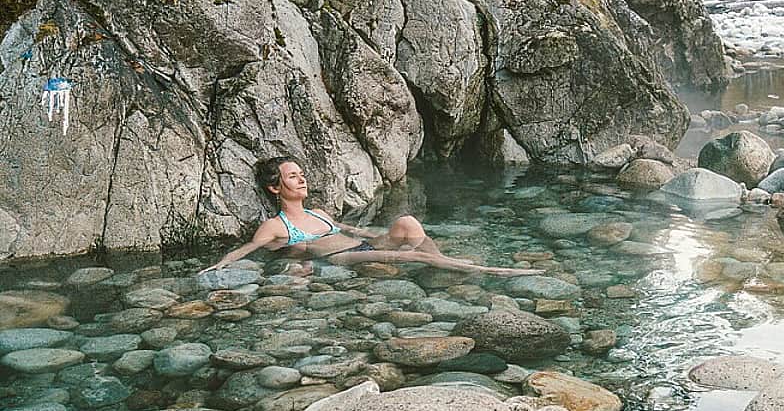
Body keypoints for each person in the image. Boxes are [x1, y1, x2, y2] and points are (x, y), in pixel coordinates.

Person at [199, 156, 540, 276]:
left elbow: (351, 228)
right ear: (275, 189)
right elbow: (248, 248)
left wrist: (378, 234)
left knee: (407, 223)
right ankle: (489, 270)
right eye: (292, 176)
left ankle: (445, 267)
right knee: (414, 255)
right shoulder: (276, 226)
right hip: (342, 258)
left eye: (301, 174)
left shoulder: (319, 212)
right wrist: (221, 264)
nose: (301, 179)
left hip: (361, 245)